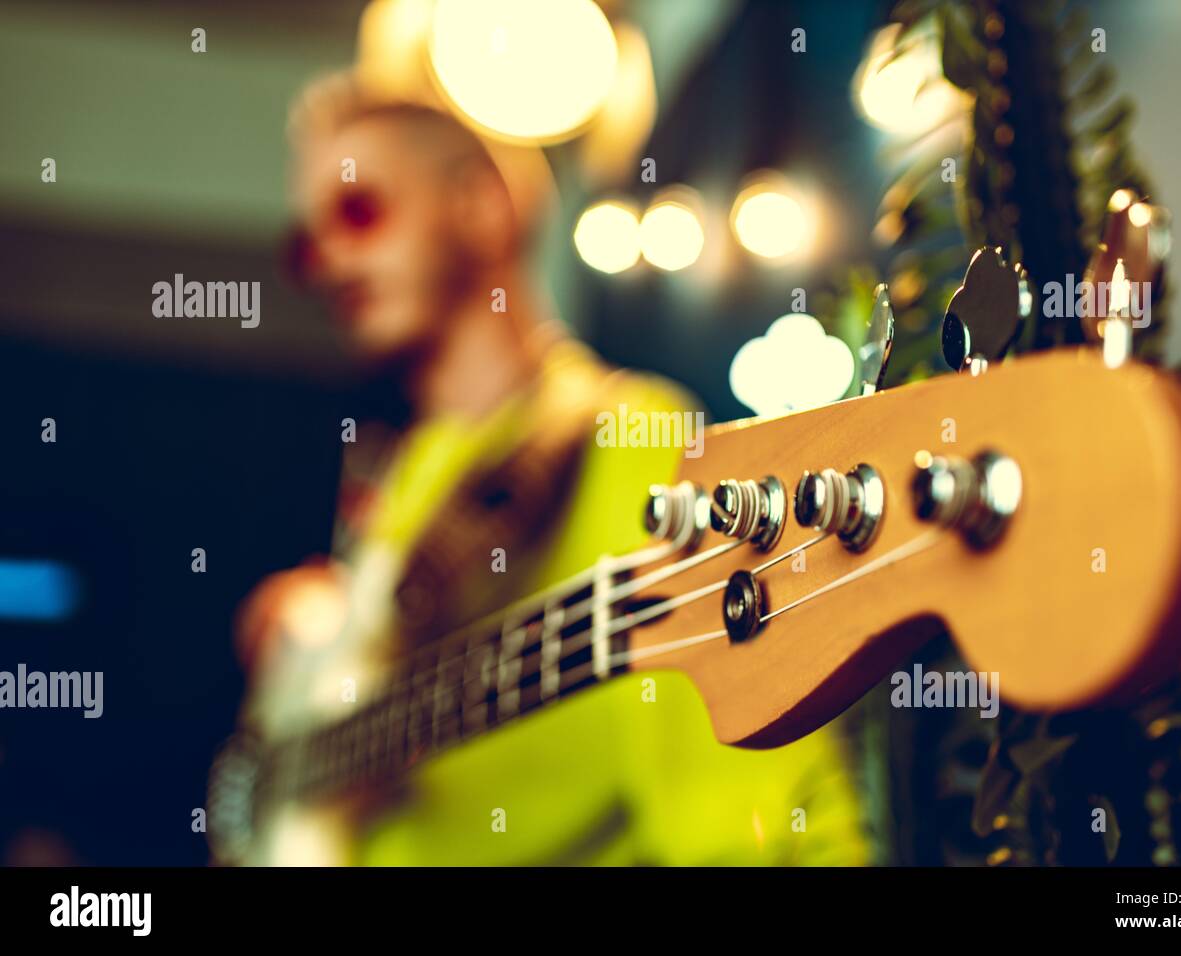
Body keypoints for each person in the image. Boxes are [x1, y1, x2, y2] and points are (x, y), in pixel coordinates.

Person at [234, 71, 867, 865]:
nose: (327, 261)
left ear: (482, 207)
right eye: (306, 241)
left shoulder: (629, 438)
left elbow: (751, 826)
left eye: (360, 212)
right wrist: (305, 639)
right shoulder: (407, 476)